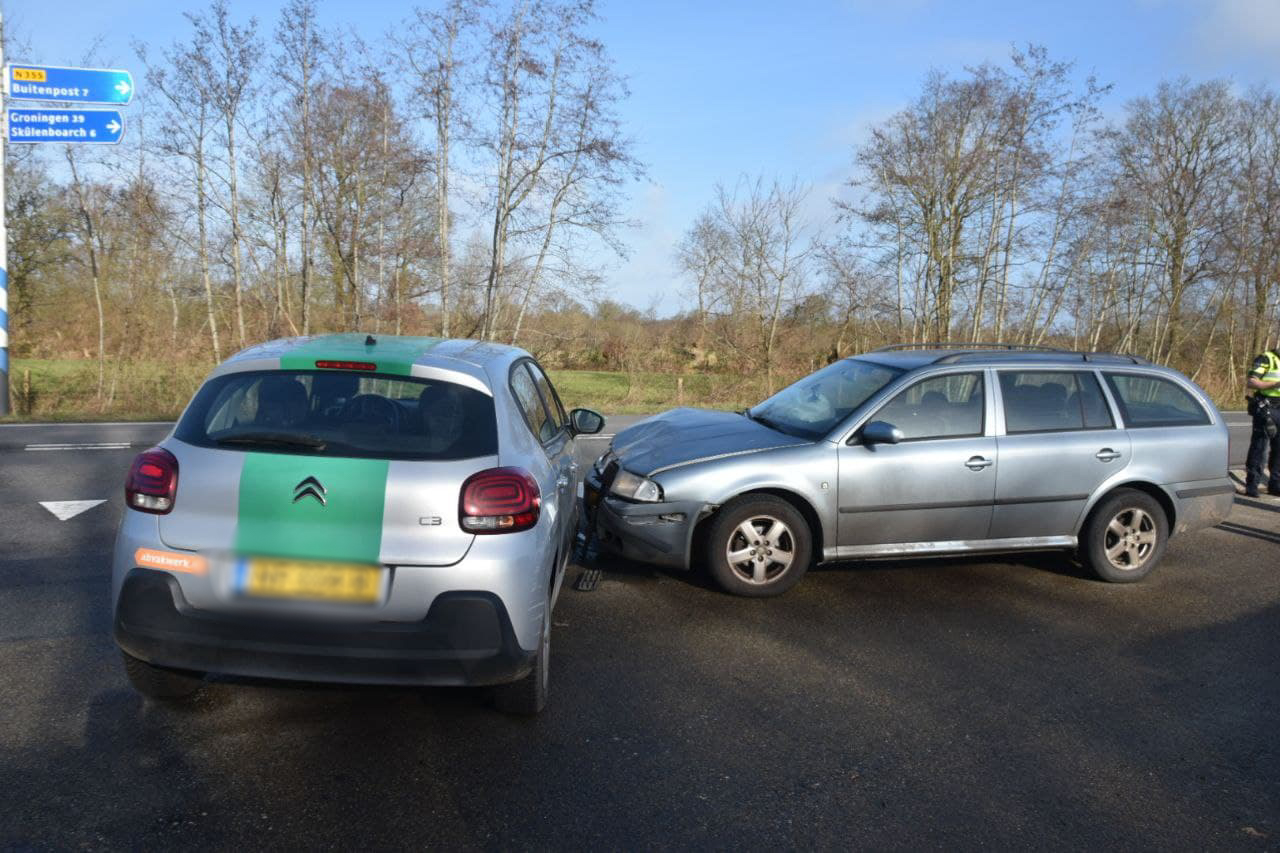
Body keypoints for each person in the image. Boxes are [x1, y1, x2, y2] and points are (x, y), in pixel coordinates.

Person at [1244, 346, 1280, 497]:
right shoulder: (1266, 358)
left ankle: (1275, 485)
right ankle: (1252, 486)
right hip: (1266, 407)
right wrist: (1275, 384)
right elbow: (1251, 383)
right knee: (1259, 448)